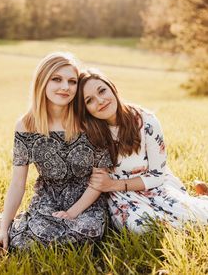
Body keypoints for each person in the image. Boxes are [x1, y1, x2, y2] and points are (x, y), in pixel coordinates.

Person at [0, 53, 112, 254]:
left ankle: (23, 226)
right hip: (49, 198)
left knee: (87, 233)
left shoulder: (89, 122)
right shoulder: (26, 126)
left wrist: (72, 212)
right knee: (30, 242)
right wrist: (4, 230)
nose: (65, 87)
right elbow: (18, 183)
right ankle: (5, 226)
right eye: (57, 79)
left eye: (72, 81)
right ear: (42, 82)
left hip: (87, 201)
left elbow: (99, 179)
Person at [77, 70, 208, 233]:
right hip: (120, 195)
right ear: (86, 109)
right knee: (142, 227)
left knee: (199, 218)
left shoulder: (146, 121)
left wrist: (112, 184)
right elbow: (98, 181)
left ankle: (203, 199)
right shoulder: (92, 132)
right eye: (89, 100)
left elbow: (157, 175)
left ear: (112, 88)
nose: (100, 101)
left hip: (153, 184)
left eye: (102, 90)